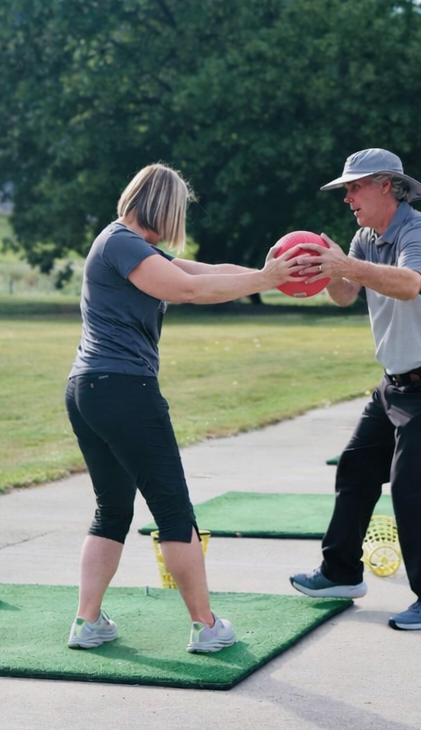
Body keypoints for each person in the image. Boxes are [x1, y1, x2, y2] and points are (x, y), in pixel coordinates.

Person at [64, 163, 302, 653]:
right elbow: (189, 290)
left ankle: (87, 623)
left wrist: (269, 275)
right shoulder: (123, 243)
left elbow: (208, 272)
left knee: (112, 509)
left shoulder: (132, 247)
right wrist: (267, 278)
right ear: (164, 207)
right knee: (174, 511)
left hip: (89, 389)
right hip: (124, 390)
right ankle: (206, 626)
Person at [287, 148, 421, 631]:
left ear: (386, 186)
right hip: (394, 384)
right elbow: (347, 295)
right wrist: (329, 269)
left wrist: (346, 264)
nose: (347, 196)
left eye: (354, 186)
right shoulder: (364, 238)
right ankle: (341, 572)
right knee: (355, 470)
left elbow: (410, 284)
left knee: (412, 492)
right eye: (345, 189)